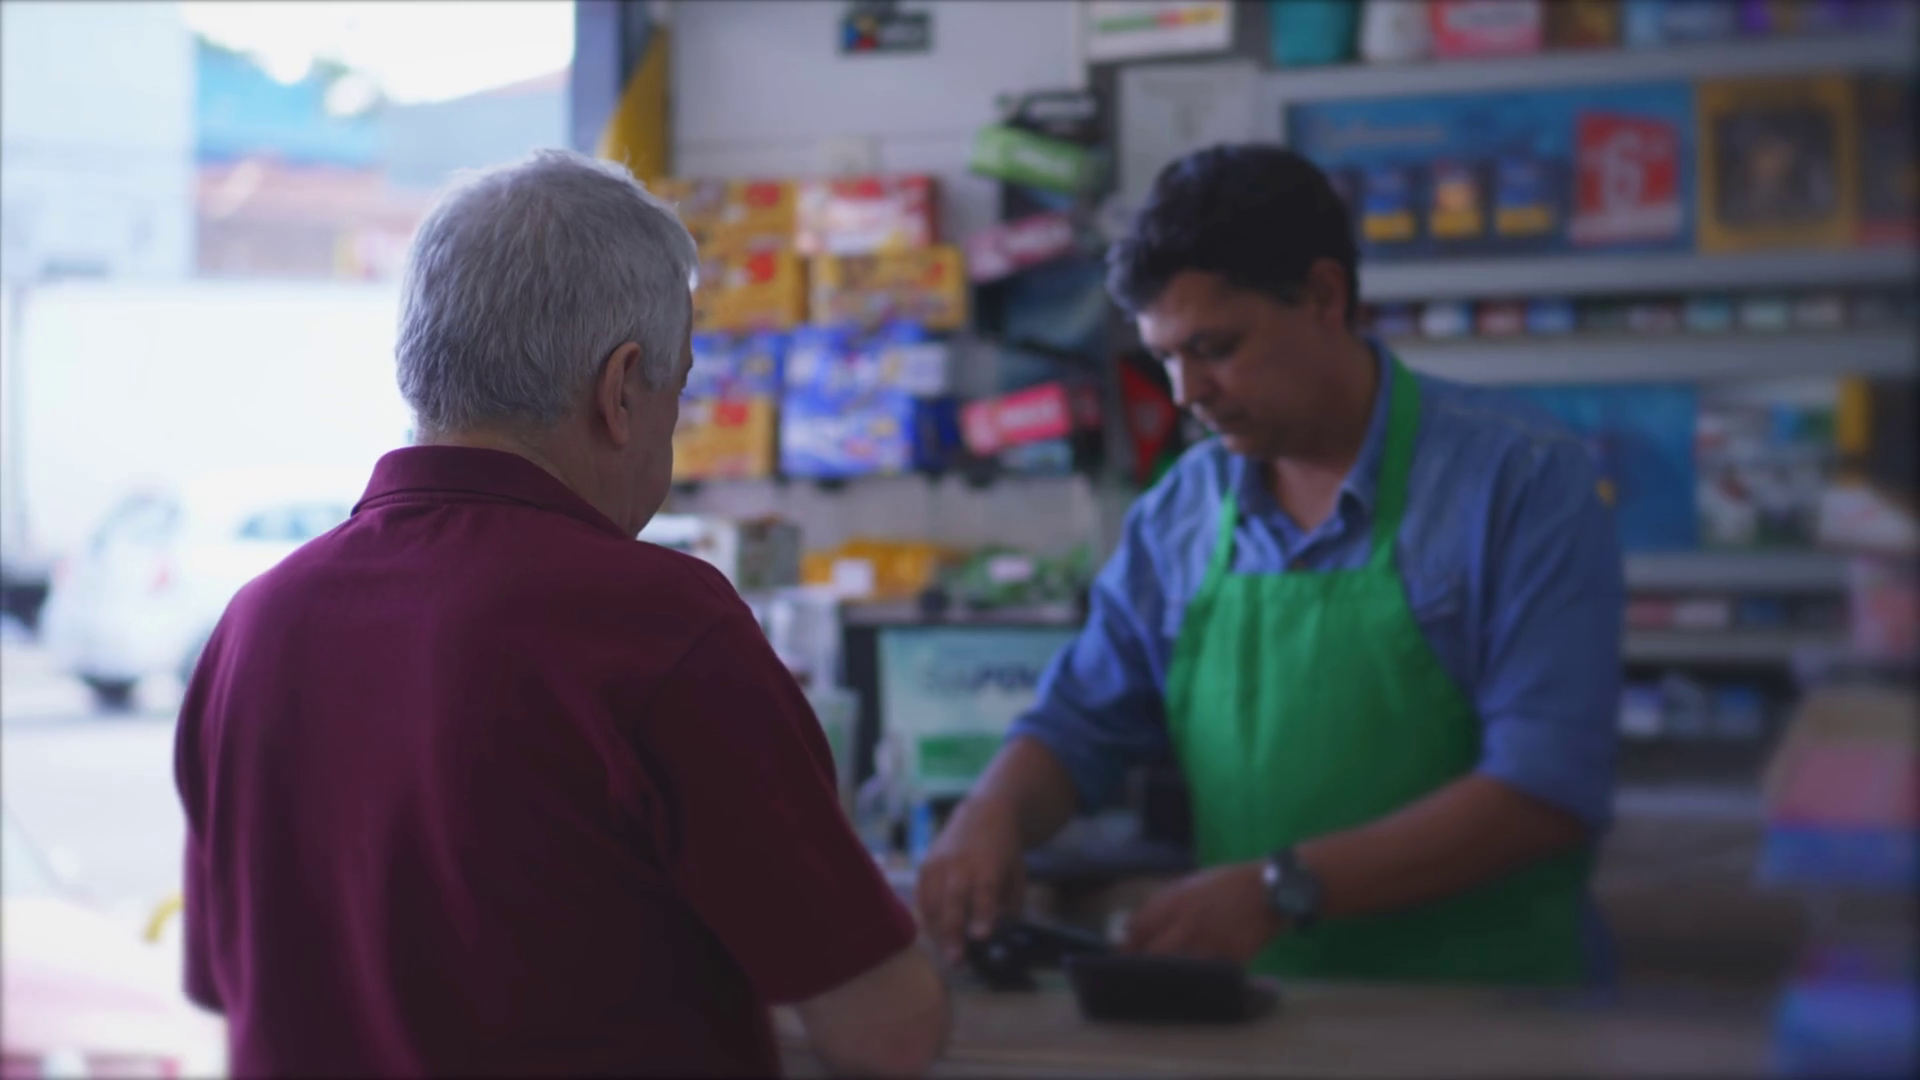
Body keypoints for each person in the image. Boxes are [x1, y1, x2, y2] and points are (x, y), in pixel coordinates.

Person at [174, 149, 949, 1077]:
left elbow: (236, 984)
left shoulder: (254, 627)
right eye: (680, 389)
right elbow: (884, 1033)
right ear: (621, 390)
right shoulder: (657, 627)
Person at [917, 144, 1625, 985]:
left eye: (1213, 347)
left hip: (1492, 1020)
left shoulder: (1520, 479)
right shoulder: (1181, 513)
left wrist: (1280, 887)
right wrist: (992, 809)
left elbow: (1545, 789)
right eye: (1165, 357)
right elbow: (1080, 724)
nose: (1185, 393)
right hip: (1267, 1020)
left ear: (1325, 296)